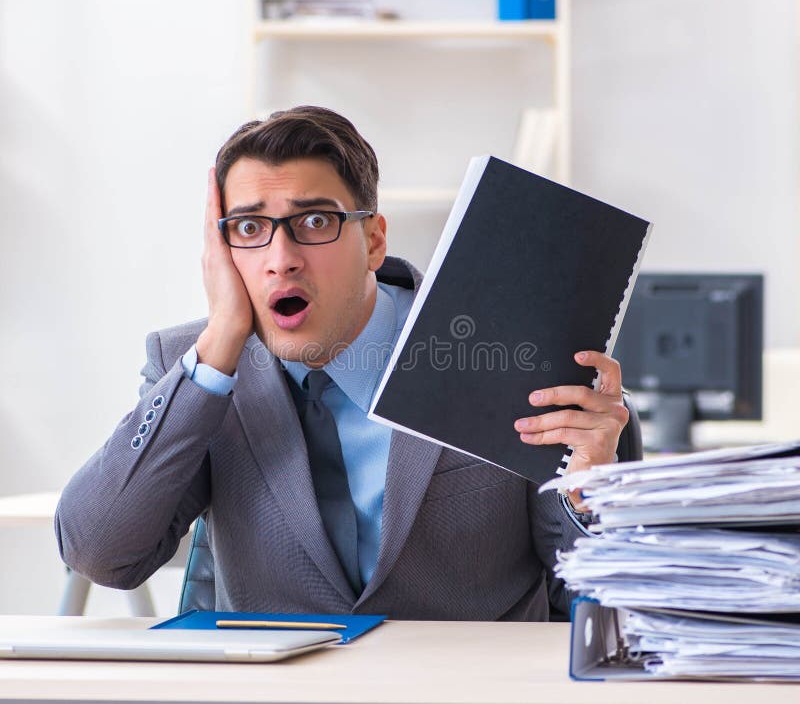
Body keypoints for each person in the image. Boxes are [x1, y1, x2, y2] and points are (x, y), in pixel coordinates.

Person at [55, 106, 629, 621]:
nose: (281, 260)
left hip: (465, 686)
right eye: (249, 228)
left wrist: (590, 495)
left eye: (314, 222)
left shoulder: (512, 355)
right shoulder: (197, 369)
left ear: (373, 241)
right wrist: (220, 342)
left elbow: (607, 603)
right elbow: (100, 553)